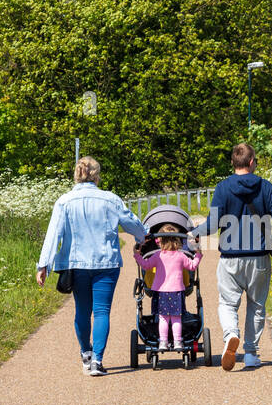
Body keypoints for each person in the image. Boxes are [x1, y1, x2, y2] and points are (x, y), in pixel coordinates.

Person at [190, 142, 272, 371]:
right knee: (257, 305)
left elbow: (213, 225)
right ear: (251, 162)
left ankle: (231, 334)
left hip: (230, 259)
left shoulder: (223, 188)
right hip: (259, 259)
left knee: (227, 303)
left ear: (233, 162)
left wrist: (193, 233)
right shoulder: (266, 187)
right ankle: (251, 353)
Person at [36, 156, 146, 376]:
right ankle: (97, 361)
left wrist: (43, 265)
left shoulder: (64, 201)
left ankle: (85, 353)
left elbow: (53, 233)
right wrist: (142, 236)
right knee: (102, 311)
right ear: (97, 176)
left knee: (83, 311)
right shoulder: (110, 199)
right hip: (106, 262)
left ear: (77, 175)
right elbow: (130, 222)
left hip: (76, 265)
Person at [132, 230, 203, 349]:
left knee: (163, 318)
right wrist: (198, 254)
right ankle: (177, 342)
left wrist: (137, 255)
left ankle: (163, 342)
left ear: (160, 241)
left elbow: (145, 265)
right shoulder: (180, 255)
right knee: (176, 318)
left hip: (161, 292)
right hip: (177, 291)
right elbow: (192, 266)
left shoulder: (158, 255)